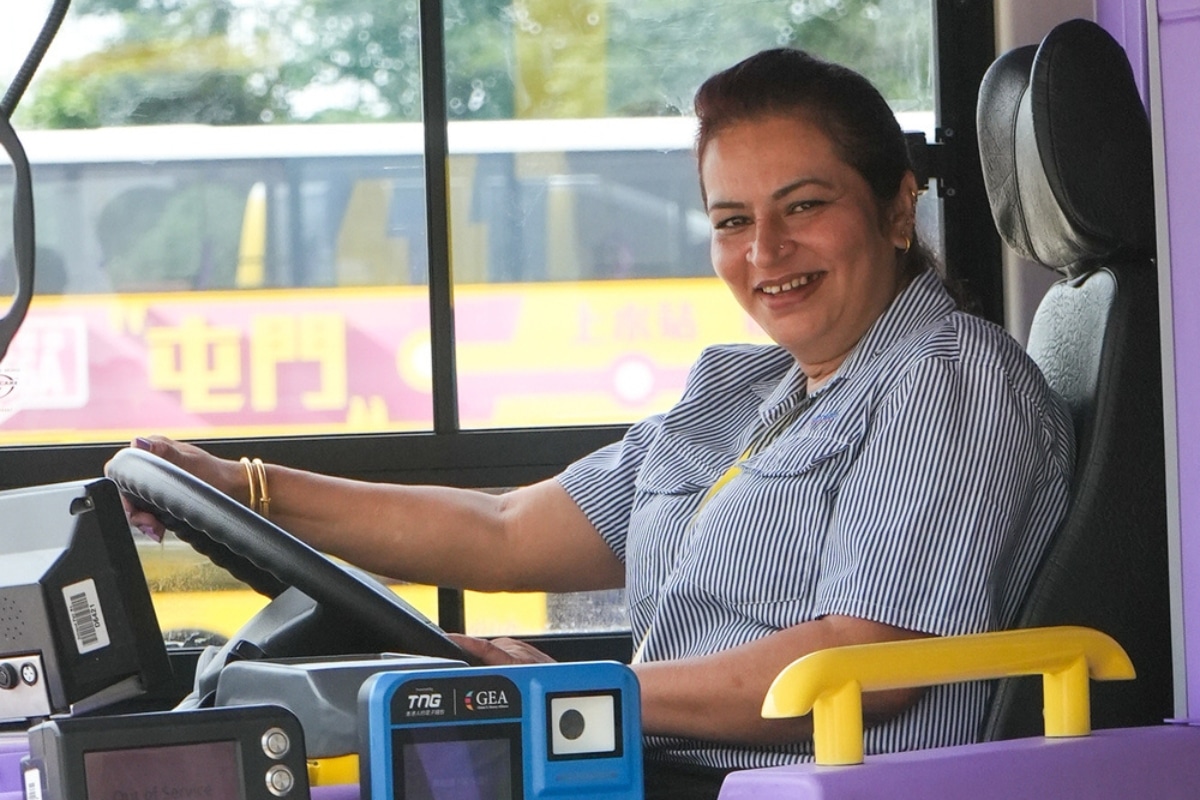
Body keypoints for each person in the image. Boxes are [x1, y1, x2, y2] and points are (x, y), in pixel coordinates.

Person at [122, 48, 1075, 799]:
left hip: (774, 785)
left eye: (805, 206)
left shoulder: (950, 381)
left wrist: (566, 695)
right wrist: (242, 486)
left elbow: (865, 662)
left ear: (897, 206)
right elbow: (500, 533)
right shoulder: (747, 396)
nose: (766, 251)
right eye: (732, 220)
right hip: (649, 767)